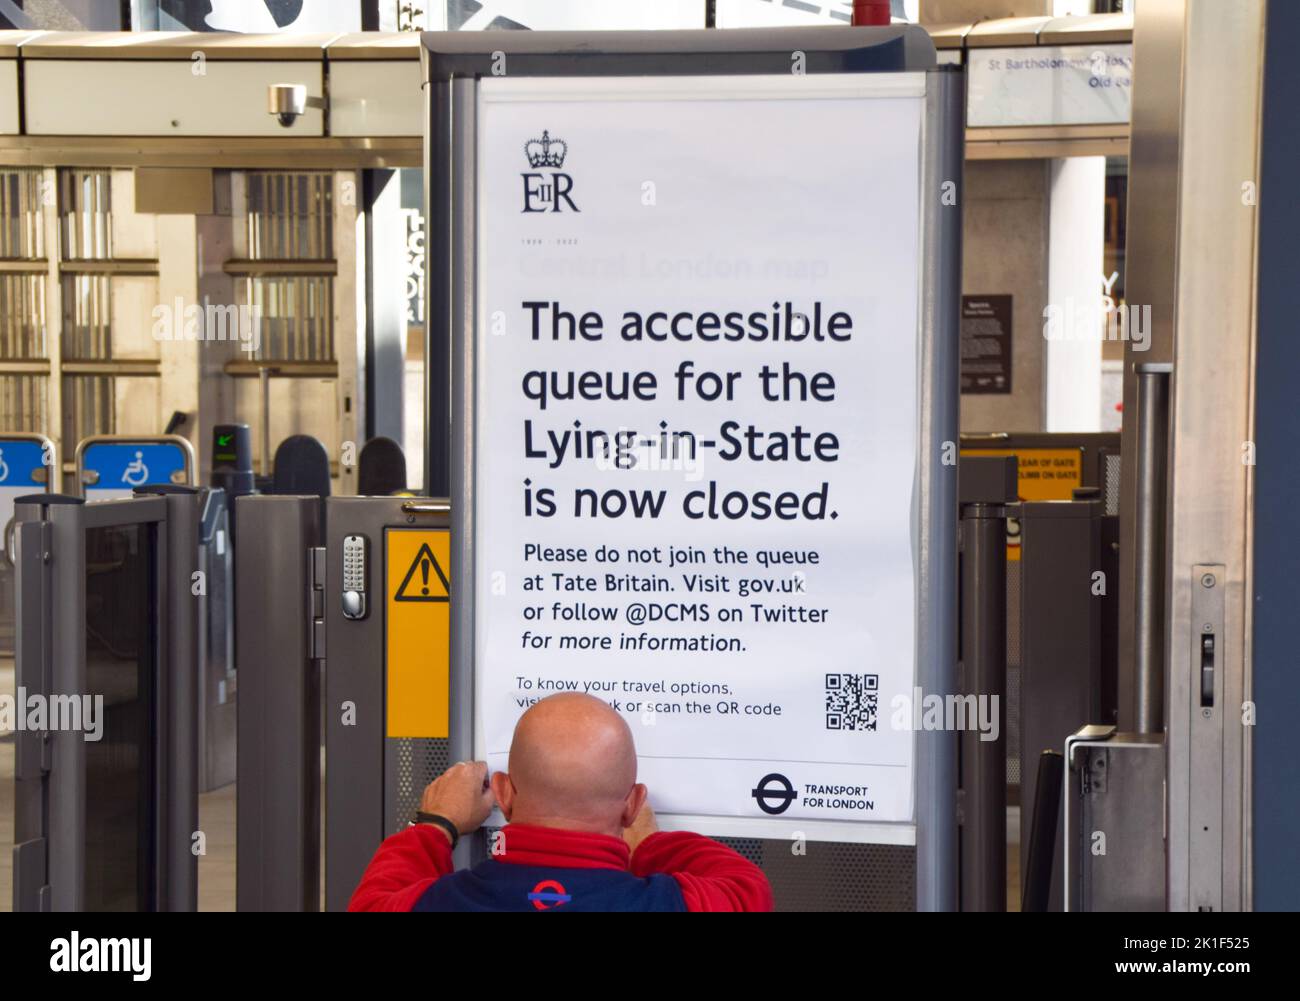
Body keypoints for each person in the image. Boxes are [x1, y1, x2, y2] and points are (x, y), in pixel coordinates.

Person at [348, 692, 773, 912]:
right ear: (632, 804)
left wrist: (435, 825)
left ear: (503, 793)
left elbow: (372, 903)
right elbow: (747, 888)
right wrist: (648, 843)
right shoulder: (669, 905)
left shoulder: (445, 903)